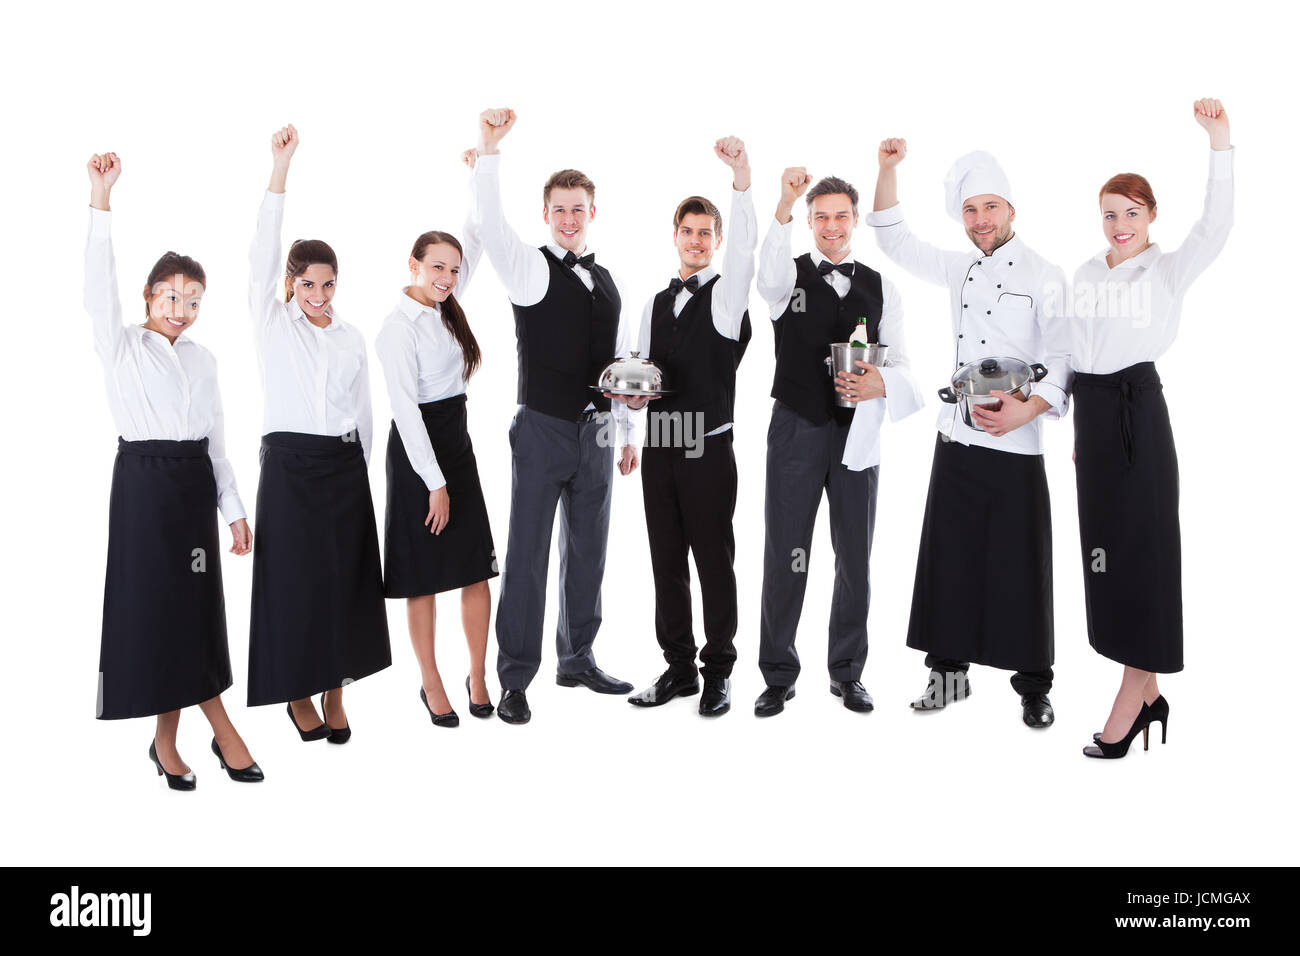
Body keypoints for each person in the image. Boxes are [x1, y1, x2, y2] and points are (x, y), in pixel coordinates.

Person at [869, 140, 1070, 728]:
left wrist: (1026, 411)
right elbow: (893, 238)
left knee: (1021, 564)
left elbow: (1061, 359)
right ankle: (947, 675)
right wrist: (887, 170)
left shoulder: (1044, 275)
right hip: (958, 436)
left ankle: (1034, 685)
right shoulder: (959, 269)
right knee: (949, 558)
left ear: (1011, 209)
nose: (980, 221)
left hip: (1017, 444)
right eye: (970, 212)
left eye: (990, 207)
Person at [86, 151, 262, 788]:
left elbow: (217, 442)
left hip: (192, 492)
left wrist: (235, 511)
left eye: (193, 300)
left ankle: (167, 743)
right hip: (142, 490)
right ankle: (221, 729)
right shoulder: (121, 345)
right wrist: (102, 200)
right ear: (149, 295)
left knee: (194, 612)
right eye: (171, 296)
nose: (181, 309)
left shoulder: (204, 361)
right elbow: (95, 289)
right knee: (158, 613)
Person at [1073, 99, 1233, 758]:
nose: (1119, 225)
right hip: (1094, 422)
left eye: (1131, 214)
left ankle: (1130, 695)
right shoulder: (1085, 274)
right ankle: (1151, 691)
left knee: (1146, 556)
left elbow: (1216, 226)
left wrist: (1219, 143)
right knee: (1107, 563)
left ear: (1151, 217)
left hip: (1140, 417)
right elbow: (1071, 355)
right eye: (1110, 213)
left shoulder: (1167, 268)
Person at [472, 108, 636, 724]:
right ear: (546, 214)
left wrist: (626, 432)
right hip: (541, 428)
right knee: (528, 553)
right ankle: (514, 677)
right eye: (559, 209)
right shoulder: (530, 267)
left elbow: (619, 366)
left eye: (578, 208)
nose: (569, 219)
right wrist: (489, 149)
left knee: (589, 549)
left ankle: (578, 656)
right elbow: (489, 224)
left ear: (593, 213)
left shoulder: (607, 277)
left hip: (597, 430)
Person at [753, 168, 923, 717]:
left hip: (859, 434)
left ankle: (847, 672)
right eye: (820, 216)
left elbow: (899, 362)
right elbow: (767, 269)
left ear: (855, 221)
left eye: (841, 216)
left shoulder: (882, 287)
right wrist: (781, 203)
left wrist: (881, 381)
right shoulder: (785, 281)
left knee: (855, 555)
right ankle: (778, 673)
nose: (831, 225)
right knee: (787, 553)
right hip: (797, 427)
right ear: (808, 222)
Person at [246, 125, 391, 741]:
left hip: (344, 467)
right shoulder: (273, 324)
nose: (318, 294)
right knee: (295, 583)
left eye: (328, 283)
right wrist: (280, 169)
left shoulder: (351, 337)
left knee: (344, 580)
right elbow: (261, 250)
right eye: (307, 283)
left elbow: (364, 412)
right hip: (288, 466)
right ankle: (298, 691)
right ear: (290, 283)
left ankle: (337, 689)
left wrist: (365, 472)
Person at [619, 137, 756, 718]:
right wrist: (627, 426)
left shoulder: (727, 298)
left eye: (706, 233)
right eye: (688, 231)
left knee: (713, 561)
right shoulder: (653, 302)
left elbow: (748, 251)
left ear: (717, 240)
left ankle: (718, 670)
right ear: (674, 236)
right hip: (660, 450)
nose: (696, 241)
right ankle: (677, 668)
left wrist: (741, 178)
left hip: (709, 450)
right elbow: (636, 377)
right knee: (665, 560)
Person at [375, 148, 497, 728]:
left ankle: (478, 671)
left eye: (453, 269)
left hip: (458, 442)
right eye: (436, 268)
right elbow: (405, 412)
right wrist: (435, 484)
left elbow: (473, 235)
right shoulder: (397, 329)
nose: (448, 277)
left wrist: (480, 171)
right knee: (423, 576)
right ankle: (430, 680)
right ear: (413, 265)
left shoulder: (447, 303)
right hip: (420, 452)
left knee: (475, 568)